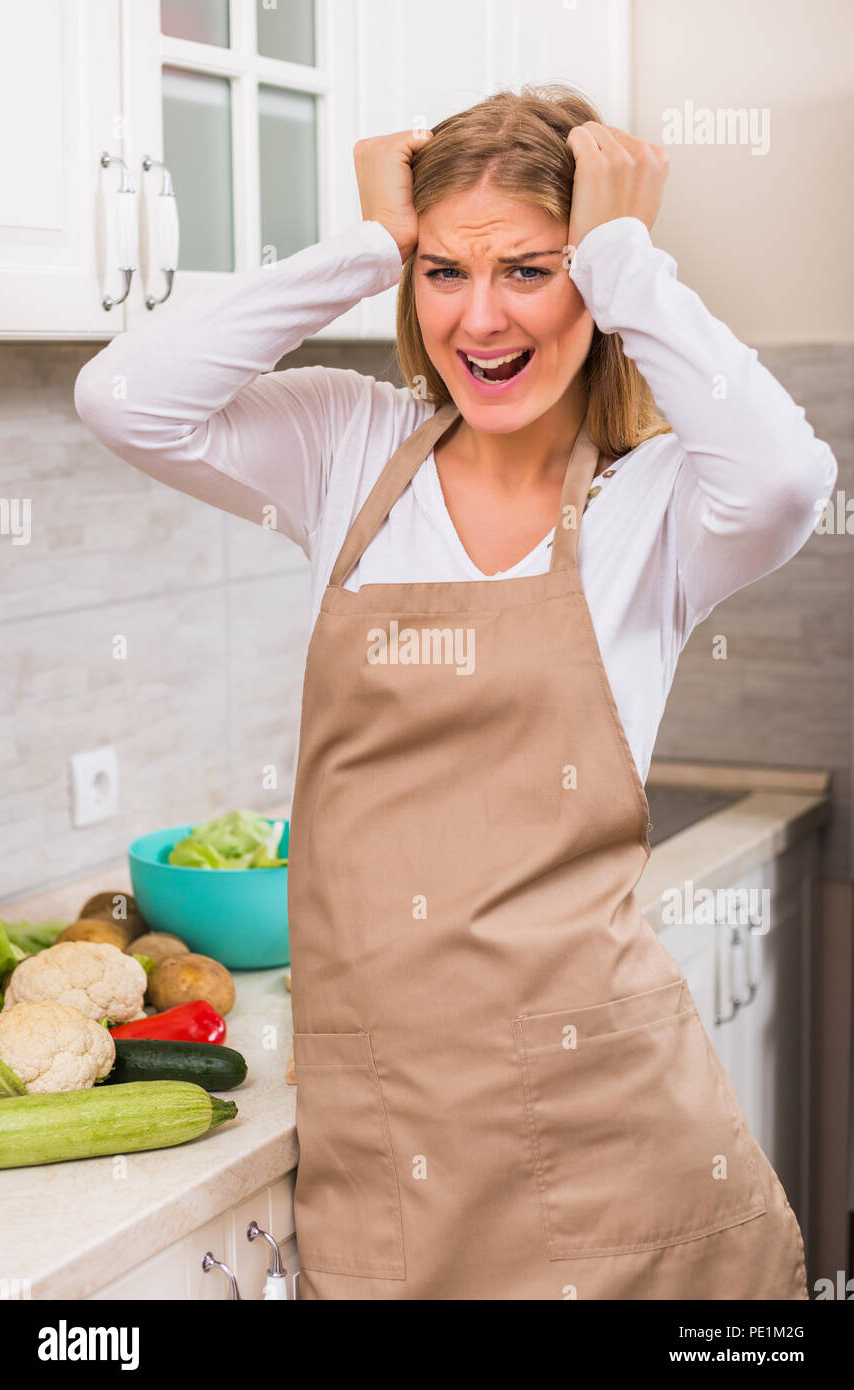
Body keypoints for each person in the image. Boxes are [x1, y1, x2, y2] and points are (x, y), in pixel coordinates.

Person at [74, 85, 837, 1300]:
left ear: (590, 275)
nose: (478, 317)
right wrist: (368, 242)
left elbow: (792, 478)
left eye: (530, 269)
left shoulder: (659, 508)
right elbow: (126, 397)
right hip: (391, 1144)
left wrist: (628, 255)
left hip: (616, 1147)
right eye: (443, 272)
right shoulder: (343, 449)